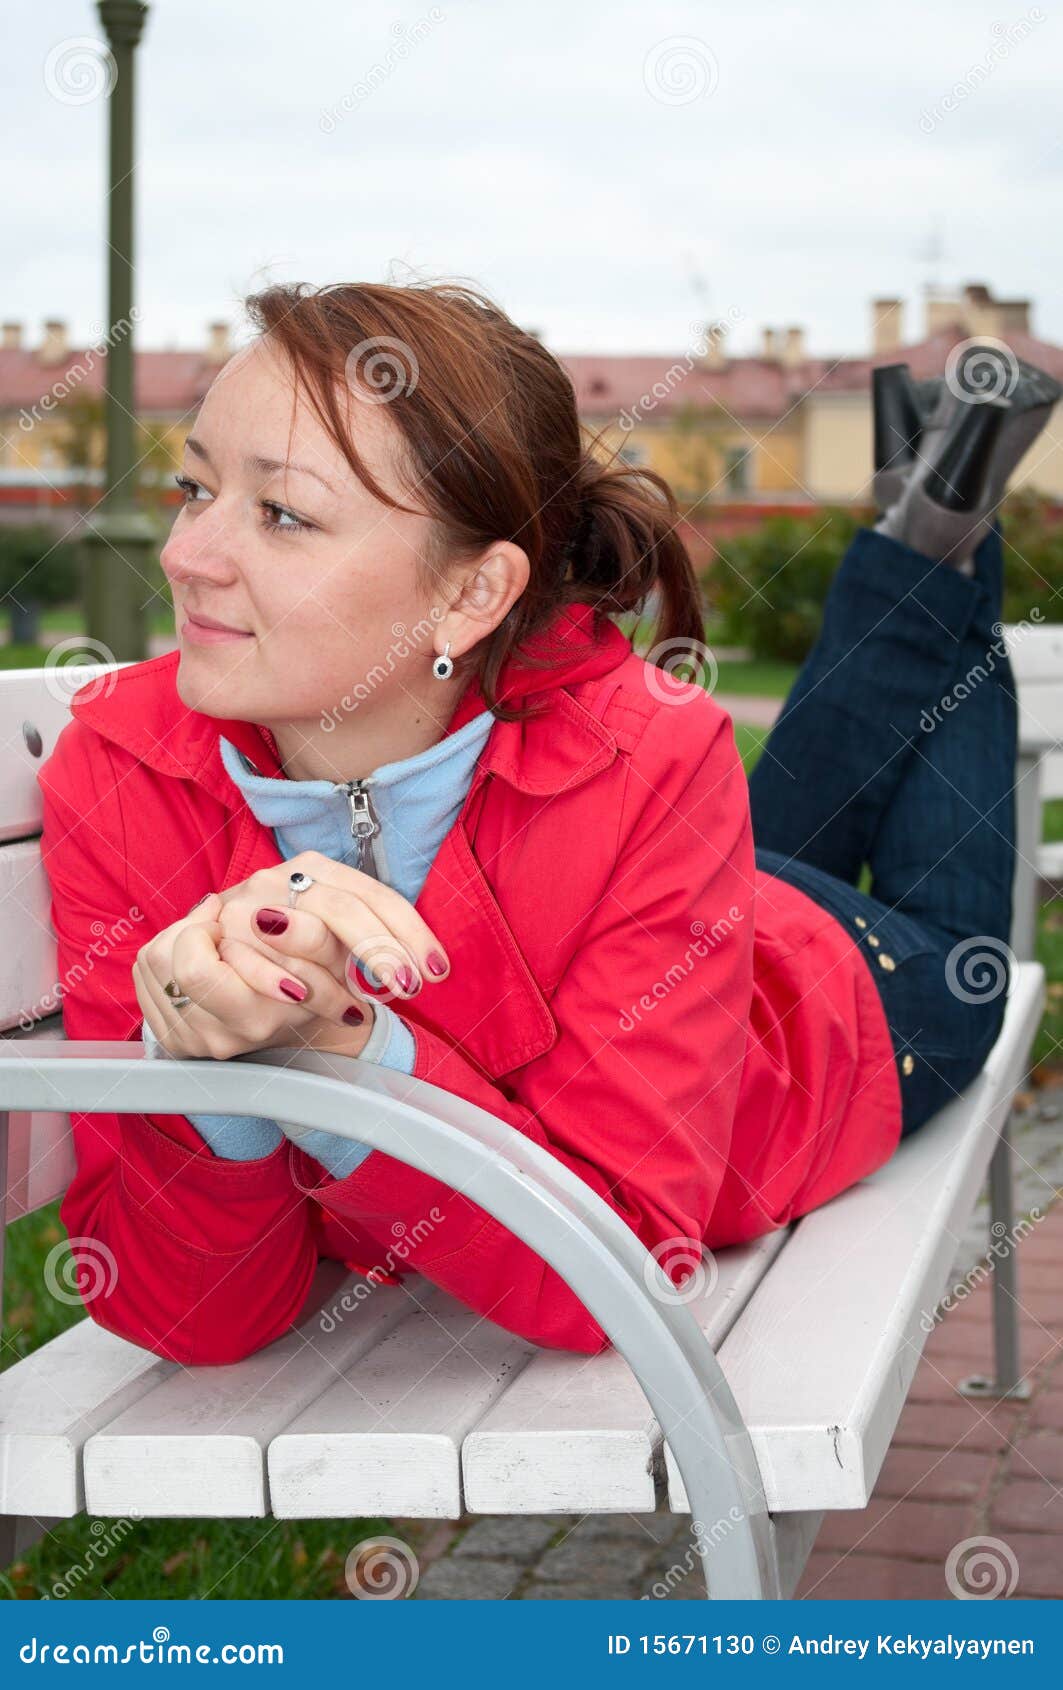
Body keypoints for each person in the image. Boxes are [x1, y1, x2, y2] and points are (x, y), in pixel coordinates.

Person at [36, 281, 1040, 1367]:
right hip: (693, 900)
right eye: (195, 486)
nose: (184, 554)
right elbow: (198, 1314)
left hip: (840, 1004)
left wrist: (345, 1055)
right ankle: (934, 527)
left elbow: (616, 1271)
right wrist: (207, 1071)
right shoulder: (118, 766)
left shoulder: (648, 752)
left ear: (472, 597)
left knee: (960, 952)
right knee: (773, 820)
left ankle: (941, 540)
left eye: (281, 512)